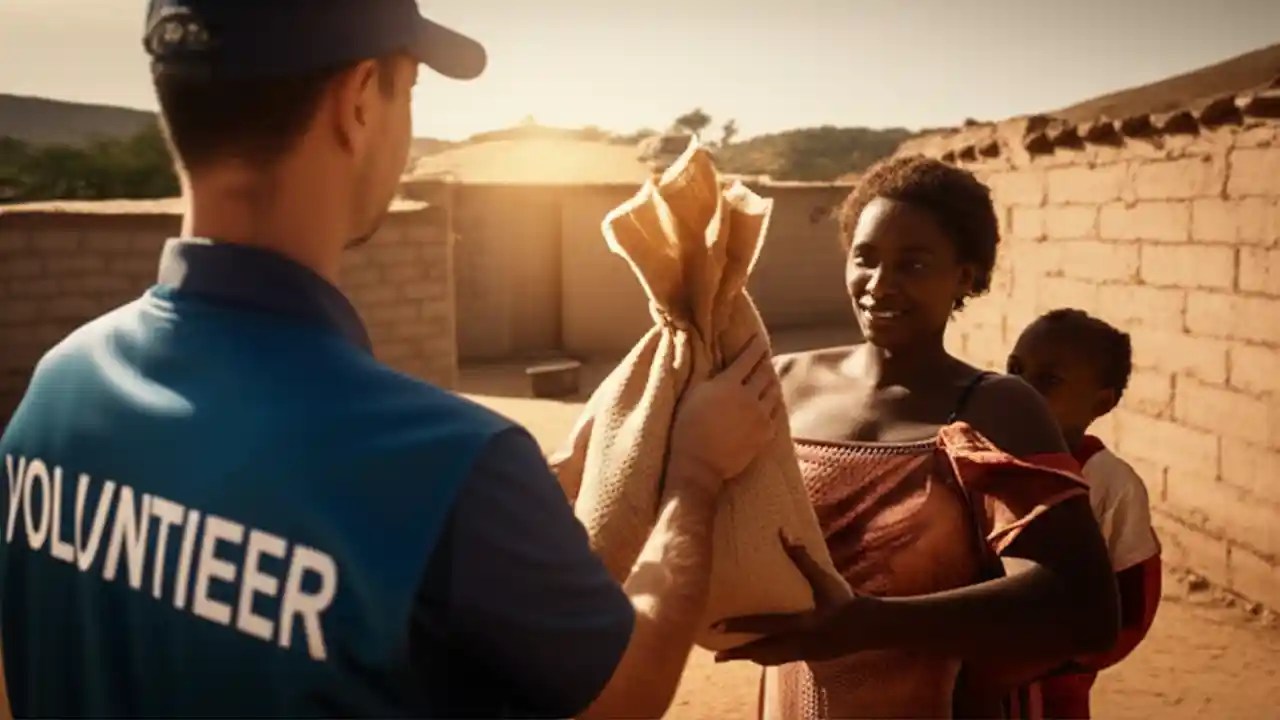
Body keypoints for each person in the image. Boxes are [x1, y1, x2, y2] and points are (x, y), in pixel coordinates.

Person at [0, 2, 782, 717]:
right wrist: (695, 479)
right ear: (361, 101)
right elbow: (625, 697)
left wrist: (514, 508)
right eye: (411, 93)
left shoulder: (55, 393)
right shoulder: (445, 462)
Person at [712, 155, 1121, 719]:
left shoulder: (994, 407)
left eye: (915, 264)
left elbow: (1086, 606)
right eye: (866, 258)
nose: (881, 284)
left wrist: (870, 624)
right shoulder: (782, 383)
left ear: (967, 276)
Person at [1007, 308, 1163, 719]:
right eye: (1015, 369)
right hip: (968, 676)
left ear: (1101, 402)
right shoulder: (980, 458)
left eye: (1048, 380)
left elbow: (1133, 606)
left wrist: (1064, 660)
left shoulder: (1110, 484)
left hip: (1056, 687)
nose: (1021, 389)